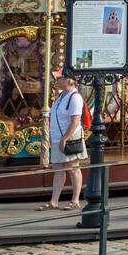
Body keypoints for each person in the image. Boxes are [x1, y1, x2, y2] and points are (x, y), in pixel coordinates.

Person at [39, 74, 86, 211]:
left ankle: (75, 200)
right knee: (58, 168)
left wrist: (65, 138)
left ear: (68, 80)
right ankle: (54, 201)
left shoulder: (75, 97)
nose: (56, 80)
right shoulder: (61, 97)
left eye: (59, 78)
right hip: (57, 137)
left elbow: (75, 120)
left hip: (69, 137)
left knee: (73, 167)